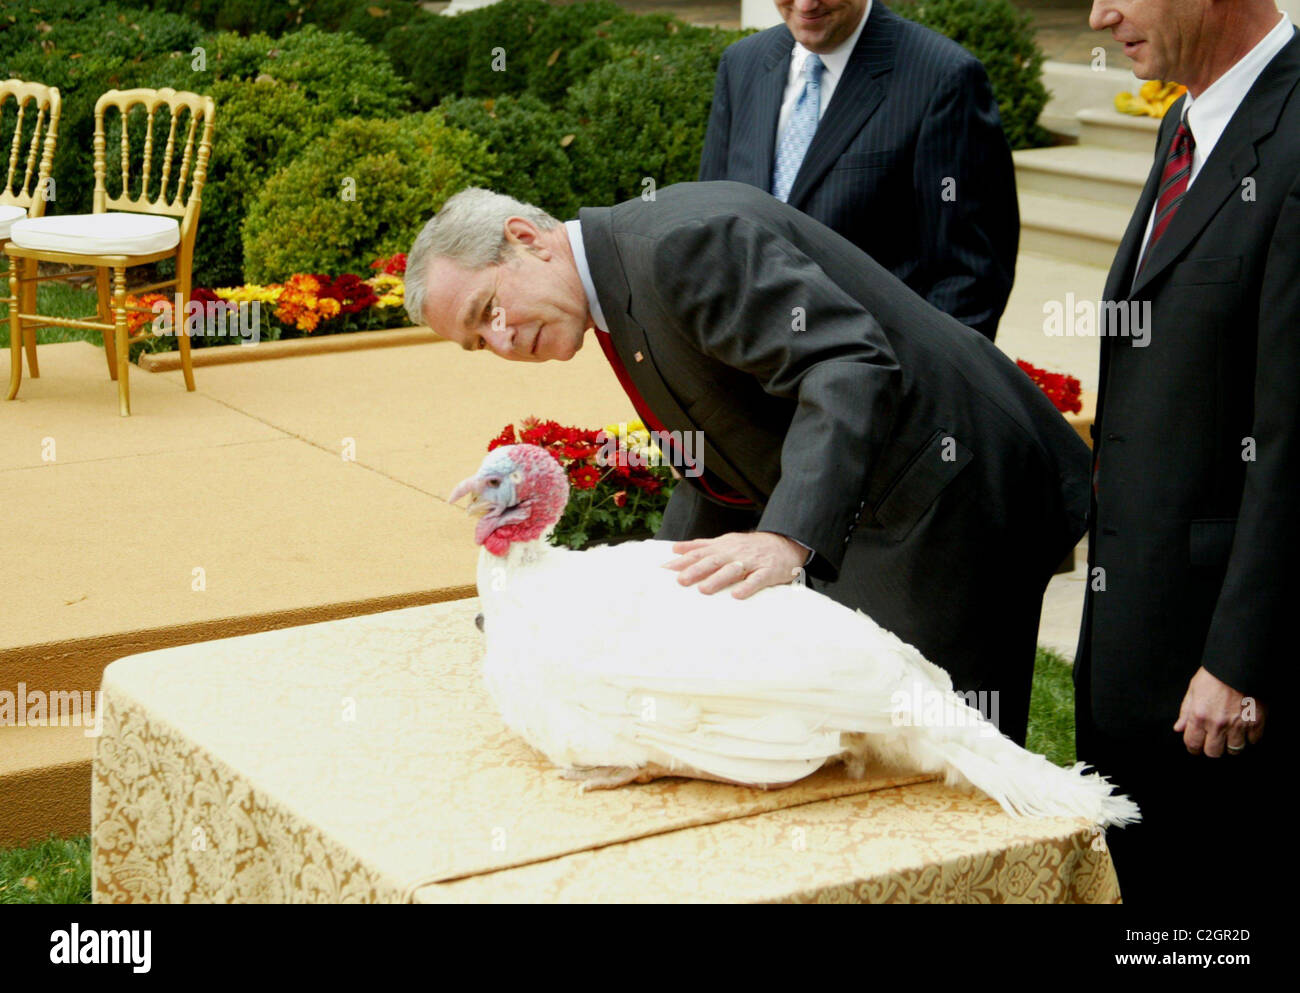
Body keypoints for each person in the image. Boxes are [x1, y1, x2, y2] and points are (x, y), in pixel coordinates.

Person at [405, 181, 1090, 747]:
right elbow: (715, 470)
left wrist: (786, 536)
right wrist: (615, 598)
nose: (501, 339)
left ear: (525, 237)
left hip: (959, 489)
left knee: (946, 756)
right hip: (898, 493)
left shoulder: (679, 245)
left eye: (489, 308)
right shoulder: (617, 282)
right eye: (477, 340)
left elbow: (846, 364)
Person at [1078, 0, 1296, 902]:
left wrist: (1243, 658)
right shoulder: (1189, 114)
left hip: (1218, 677)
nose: (1098, 15)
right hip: (1140, 645)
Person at [698, 0, 1018, 341]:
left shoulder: (944, 77)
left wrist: (921, 383)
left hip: (871, 368)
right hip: (745, 360)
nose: (806, 4)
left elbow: (969, 273)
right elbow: (709, 222)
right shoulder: (742, 63)